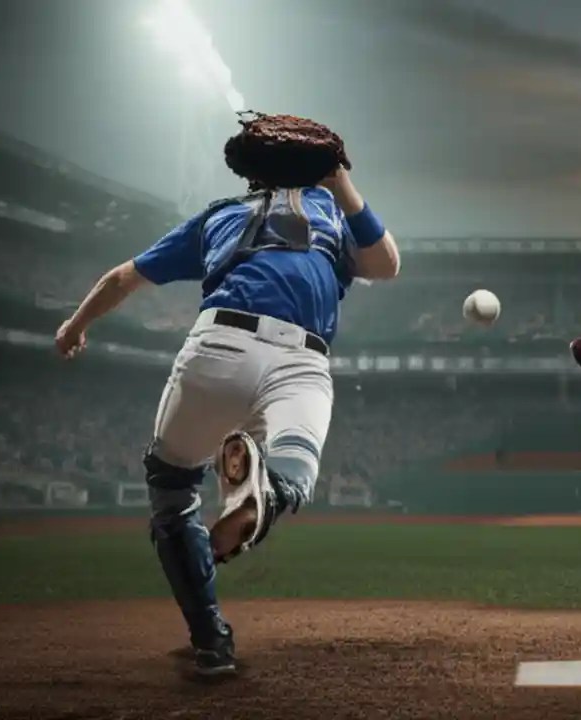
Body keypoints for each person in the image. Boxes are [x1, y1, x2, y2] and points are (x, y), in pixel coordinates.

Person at [54, 114, 400, 676]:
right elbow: (387, 265)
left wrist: (75, 326)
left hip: (219, 347)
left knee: (171, 490)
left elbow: (123, 277)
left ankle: (211, 638)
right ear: (319, 174)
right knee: (297, 469)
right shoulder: (332, 215)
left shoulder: (219, 216)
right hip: (302, 361)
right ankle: (265, 491)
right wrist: (340, 182)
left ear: (250, 177)